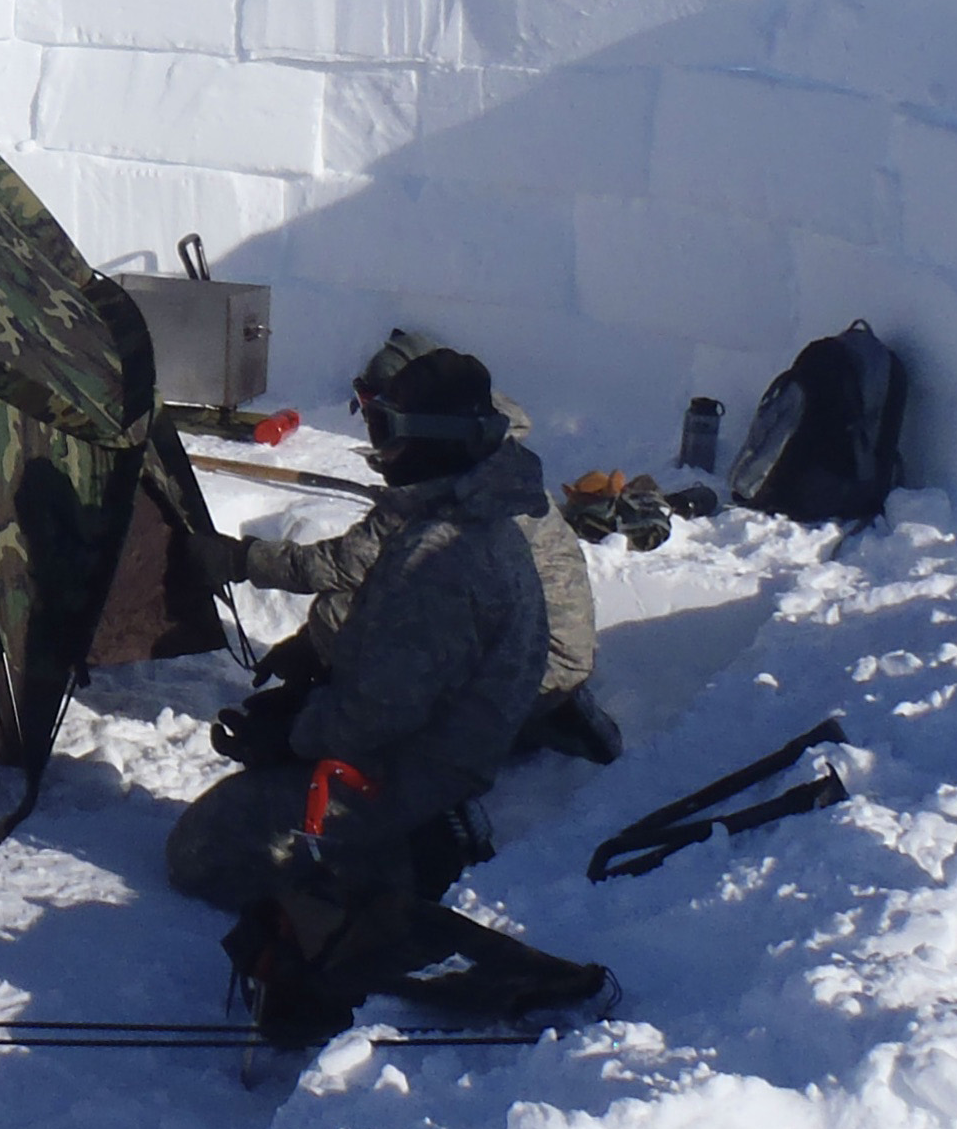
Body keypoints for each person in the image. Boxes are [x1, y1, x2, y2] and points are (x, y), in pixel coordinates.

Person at [165, 345, 552, 931]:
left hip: (417, 771)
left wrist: (293, 735)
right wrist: (309, 693)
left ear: (430, 440)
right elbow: (391, 661)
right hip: (444, 738)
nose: (379, 453)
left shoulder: (439, 556)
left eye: (386, 432)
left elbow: (377, 714)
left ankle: (404, 859)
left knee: (202, 848)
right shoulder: (468, 513)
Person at [208, 331, 621, 771]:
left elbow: (343, 567)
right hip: (553, 649)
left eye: (382, 419)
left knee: (345, 612)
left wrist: (242, 560)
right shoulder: (491, 455)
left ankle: (503, 725)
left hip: (534, 667)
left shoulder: (446, 482)